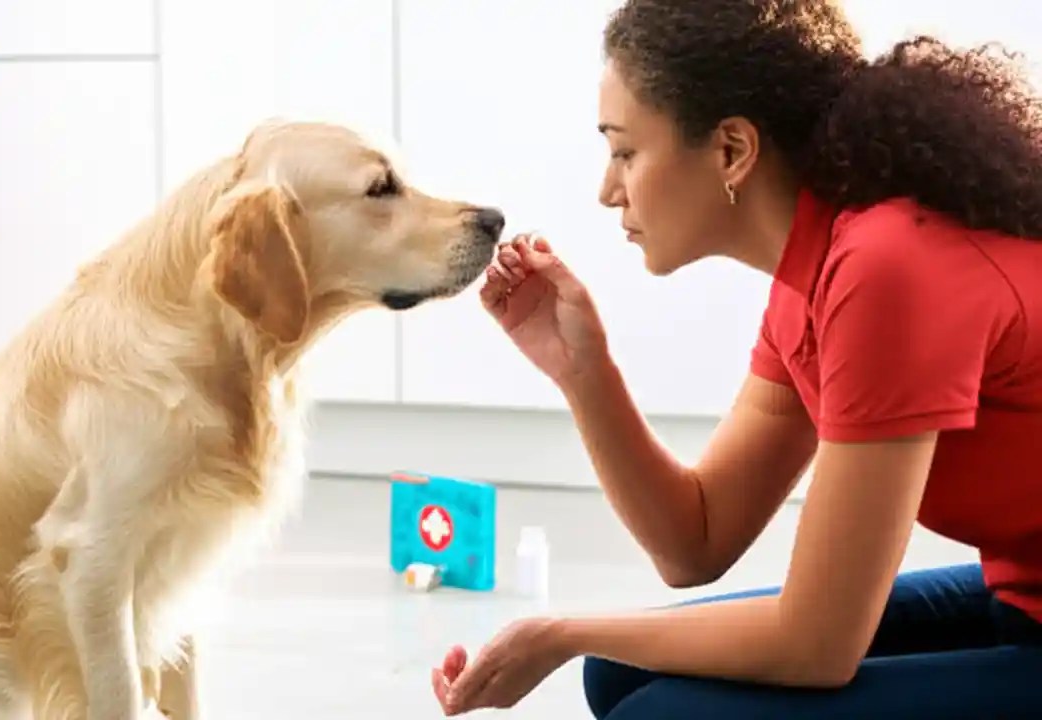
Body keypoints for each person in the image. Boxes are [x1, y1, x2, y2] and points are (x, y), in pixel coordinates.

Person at [427, 1, 1042, 718]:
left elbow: (817, 644)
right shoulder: (817, 274)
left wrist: (560, 633)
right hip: (1020, 598)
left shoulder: (886, 268)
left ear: (731, 150)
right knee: (616, 674)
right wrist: (581, 370)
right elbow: (696, 542)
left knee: (657, 713)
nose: (607, 190)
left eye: (625, 152)